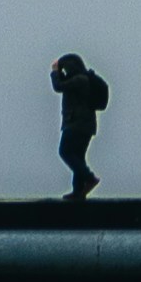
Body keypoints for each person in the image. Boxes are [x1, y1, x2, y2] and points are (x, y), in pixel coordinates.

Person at [50, 49, 109, 201]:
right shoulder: (82, 80)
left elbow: (58, 87)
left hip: (77, 125)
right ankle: (78, 192)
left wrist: (55, 71)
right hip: (84, 125)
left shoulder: (80, 80)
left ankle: (89, 179)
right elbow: (63, 83)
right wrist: (59, 72)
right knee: (78, 157)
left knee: (65, 152)